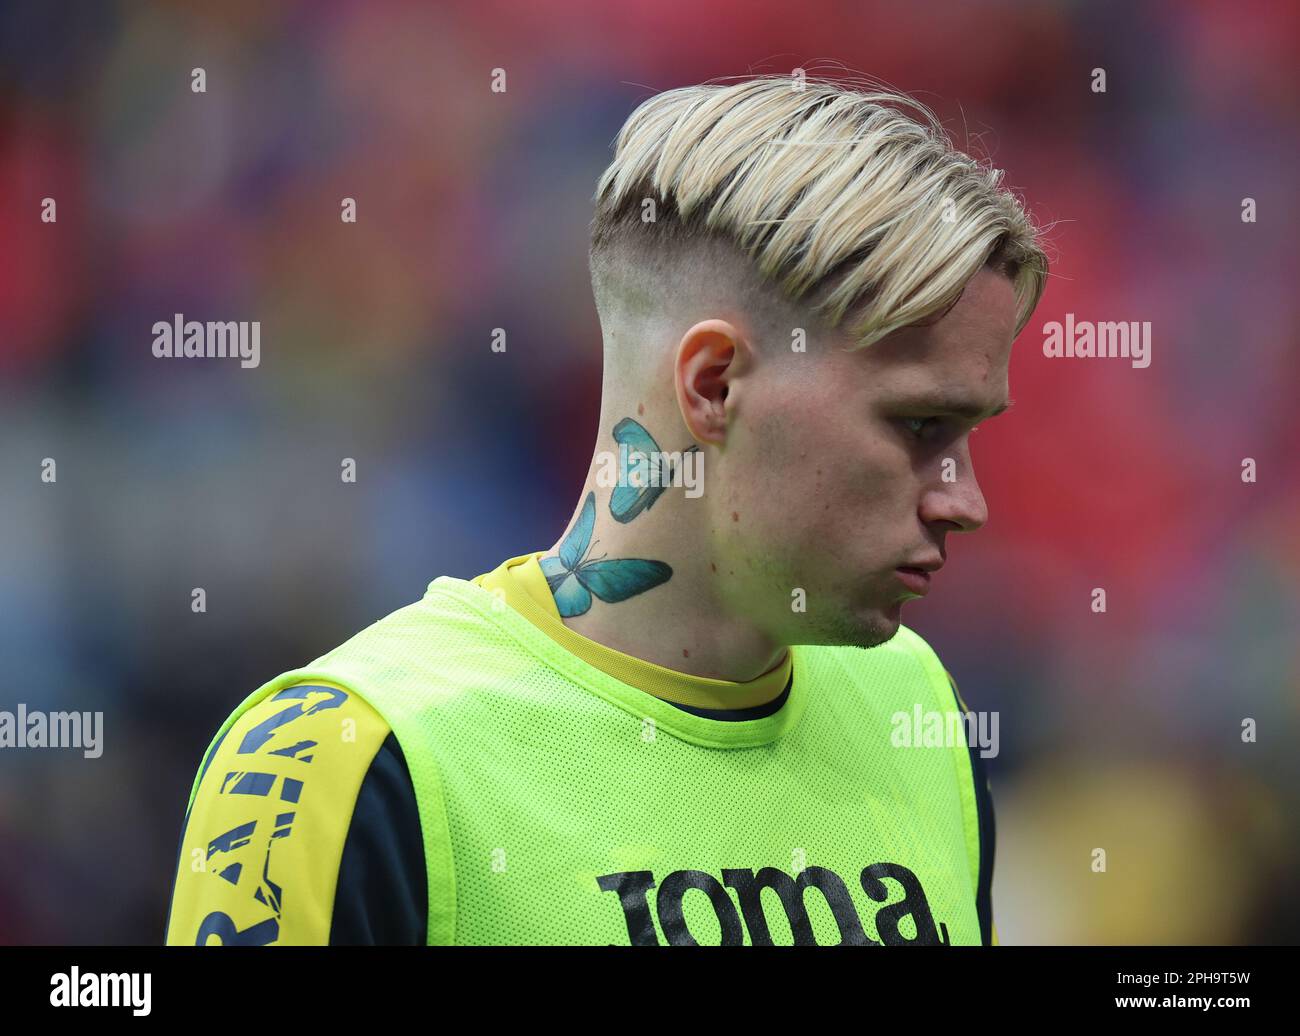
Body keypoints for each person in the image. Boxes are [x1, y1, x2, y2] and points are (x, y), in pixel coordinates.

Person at [165, 73, 1047, 946]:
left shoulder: (914, 705)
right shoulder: (352, 755)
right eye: (921, 424)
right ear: (714, 385)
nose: (964, 500)